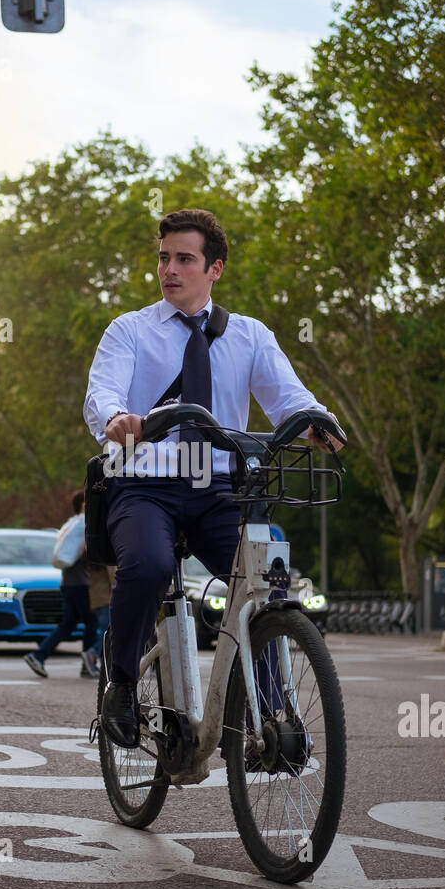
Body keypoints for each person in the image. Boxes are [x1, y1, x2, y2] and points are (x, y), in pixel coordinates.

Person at [83, 207, 344, 747]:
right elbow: (102, 394)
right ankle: (122, 684)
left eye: (184, 259)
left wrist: (320, 422)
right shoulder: (130, 330)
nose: (169, 269)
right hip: (145, 485)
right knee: (150, 565)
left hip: (220, 490)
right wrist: (118, 419)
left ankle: (269, 716)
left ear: (214, 269)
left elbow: (289, 398)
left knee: (263, 583)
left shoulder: (249, 336)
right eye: (164, 258)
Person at [24, 491, 98, 678]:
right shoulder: (83, 525)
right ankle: (87, 664)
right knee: (91, 623)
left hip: (67, 583)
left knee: (69, 624)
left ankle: (38, 656)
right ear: (84, 505)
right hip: (81, 583)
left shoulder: (70, 524)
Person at [84, 563, 116, 678]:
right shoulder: (107, 558)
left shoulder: (92, 556)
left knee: (105, 631)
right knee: (108, 633)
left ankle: (104, 666)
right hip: (107, 597)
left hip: (97, 598)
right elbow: (114, 577)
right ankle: (92, 653)